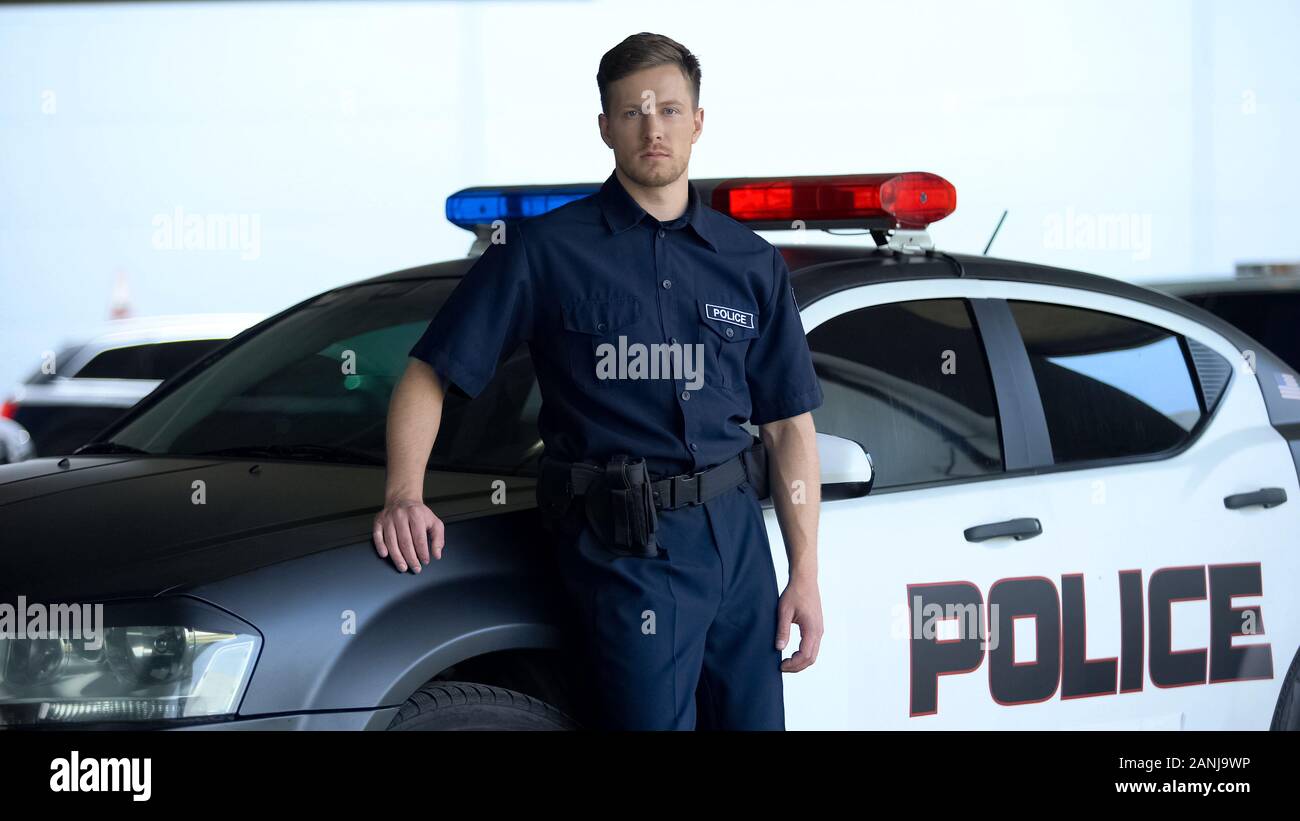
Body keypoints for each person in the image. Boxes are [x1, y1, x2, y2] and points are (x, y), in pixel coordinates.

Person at [374, 32, 824, 730]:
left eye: (671, 110)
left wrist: (804, 572)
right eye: (633, 112)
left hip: (738, 541)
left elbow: (790, 425)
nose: (653, 128)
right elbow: (429, 373)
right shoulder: (546, 252)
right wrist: (404, 494)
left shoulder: (751, 261)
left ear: (698, 122)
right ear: (605, 127)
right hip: (624, 547)